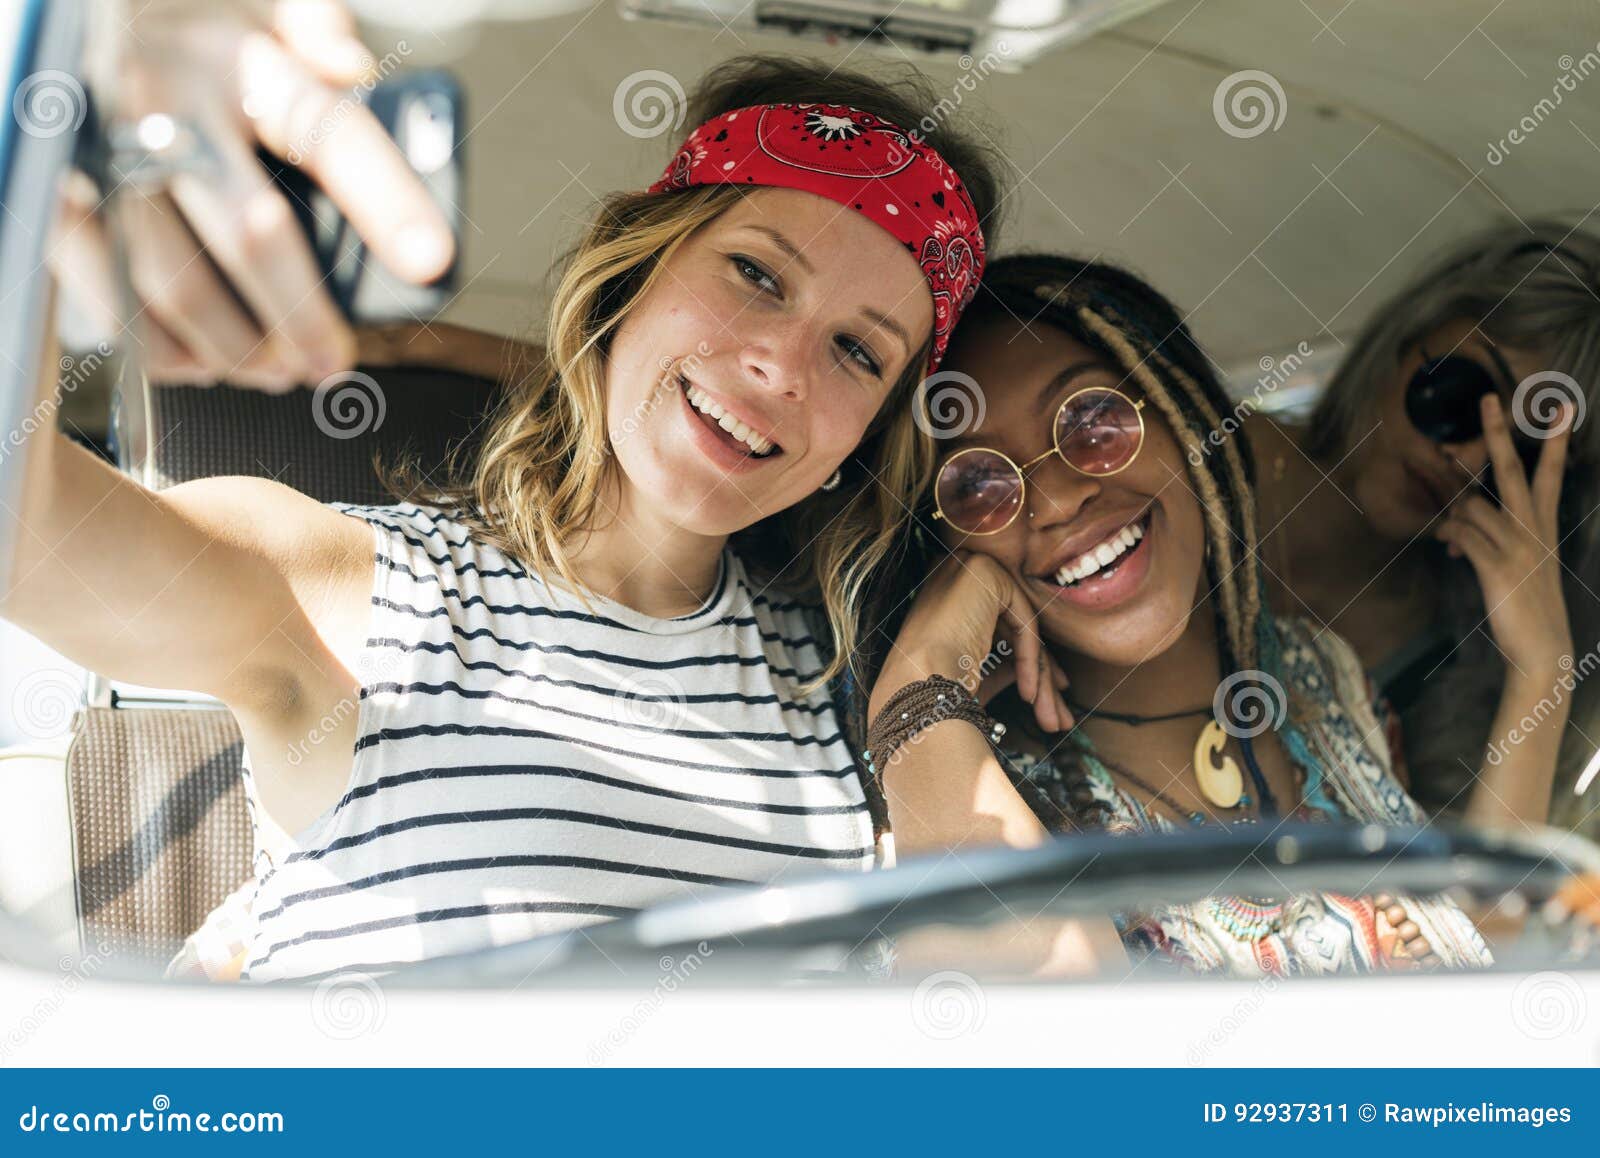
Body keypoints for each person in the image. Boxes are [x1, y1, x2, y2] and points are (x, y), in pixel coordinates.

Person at [4, 54, 1003, 980]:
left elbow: (1024, 999)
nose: (780, 367)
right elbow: (22, 534)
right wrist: (56, 124)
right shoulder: (354, 589)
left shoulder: (851, 689)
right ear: (631, 277)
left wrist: (949, 637)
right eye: (756, 275)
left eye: (858, 353)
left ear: (867, 436)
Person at [862, 254, 1492, 977]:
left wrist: (1545, 670)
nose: (1060, 500)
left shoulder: (1318, 676)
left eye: (1095, 420)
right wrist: (922, 681)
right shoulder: (954, 802)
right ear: (945, 549)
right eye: (976, 483)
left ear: (1184, 416)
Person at [1245, 221, 1600, 836]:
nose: (1468, 460)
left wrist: (1542, 666)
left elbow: (1486, 914)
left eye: (1524, 454)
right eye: (1460, 397)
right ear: (1411, 333)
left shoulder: (1451, 671)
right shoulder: (1185, 459)